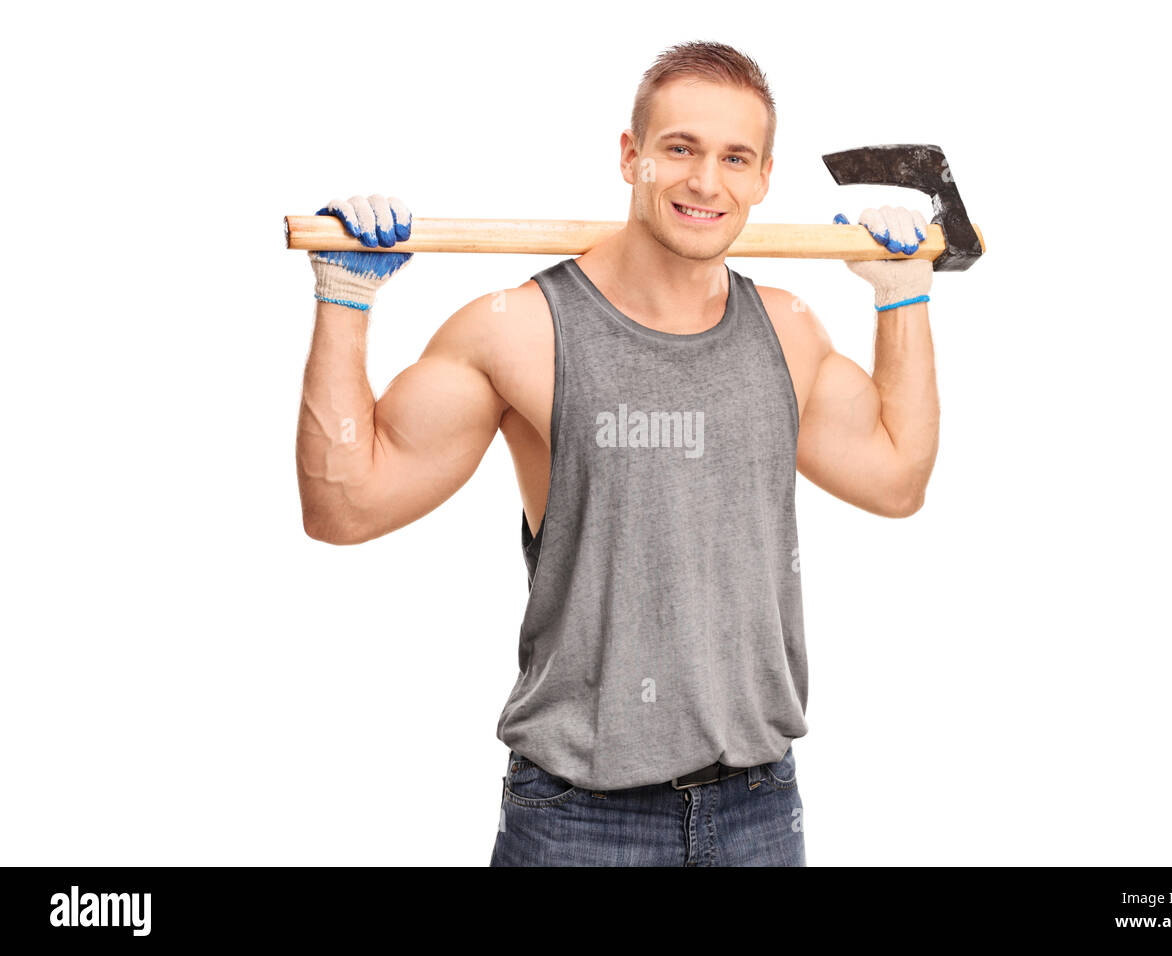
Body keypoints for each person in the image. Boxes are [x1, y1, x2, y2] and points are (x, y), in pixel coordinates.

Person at [297, 40, 939, 866]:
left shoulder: (789, 329)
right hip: (577, 821)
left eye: (734, 158)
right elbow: (343, 507)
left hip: (760, 806)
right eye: (680, 148)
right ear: (631, 156)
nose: (707, 183)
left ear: (764, 178)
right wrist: (344, 299)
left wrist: (904, 294)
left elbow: (896, 480)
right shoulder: (519, 329)